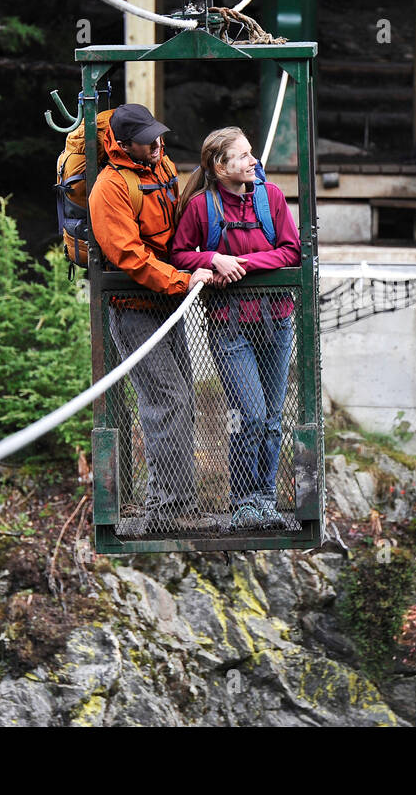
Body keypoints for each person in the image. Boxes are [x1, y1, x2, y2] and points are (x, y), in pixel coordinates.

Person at [88, 103, 217, 533]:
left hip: (168, 300)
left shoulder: (161, 167)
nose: (159, 144)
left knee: (183, 398)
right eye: (148, 141)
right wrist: (182, 279)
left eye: (160, 136)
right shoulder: (109, 188)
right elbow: (129, 256)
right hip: (135, 309)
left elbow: (176, 224)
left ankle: (181, 498)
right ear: (125, 145)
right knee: (166, 399)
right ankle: (165, 505)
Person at [171, 127, 301, 531]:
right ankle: (242, 500)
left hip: (276, 319)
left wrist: (239, 265)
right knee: (249, 413)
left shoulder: (271, 198)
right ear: (219, 166)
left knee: (274, 418)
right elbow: (178, 253)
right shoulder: (201, 208)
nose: (253, 161)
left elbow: (292, 249)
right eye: (243, 156)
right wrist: (211, 258)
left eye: (252, 153)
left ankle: (266, 498)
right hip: (230, 327)